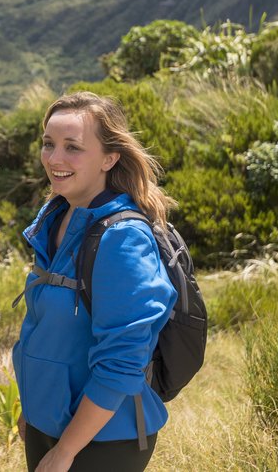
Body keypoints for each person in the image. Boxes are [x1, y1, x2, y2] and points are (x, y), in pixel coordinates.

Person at [13, 91, 177, 472]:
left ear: (109, 157)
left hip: (103, 439)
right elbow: (48, 330)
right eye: (49, 144)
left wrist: (66, 450)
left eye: (73, 147)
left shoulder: (122, 238)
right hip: (49, 422)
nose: (55, 159)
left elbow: (122, 362)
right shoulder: (56, 216)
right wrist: (34, 409)